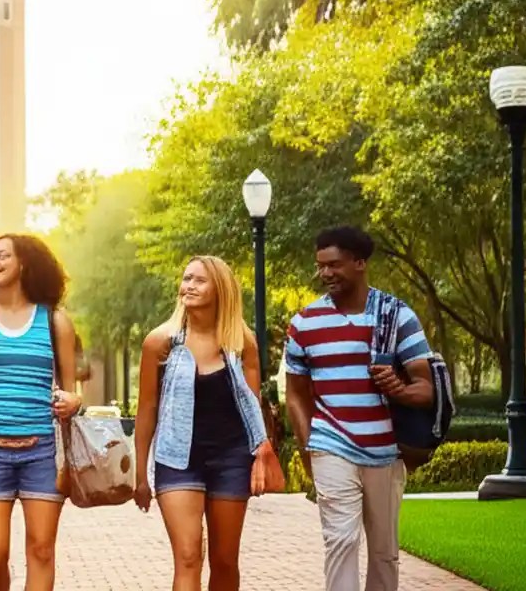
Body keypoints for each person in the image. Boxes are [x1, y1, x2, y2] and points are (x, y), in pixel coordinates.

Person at [284, 226, 435, 591]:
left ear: (360, 263)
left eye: (334, 265)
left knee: (384, 552)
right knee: (340, 541)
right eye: (320, 266)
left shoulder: (395, 316)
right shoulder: (305, 323)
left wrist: (398, 388)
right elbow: (296, 393)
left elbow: (426, 388)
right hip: (331, 445)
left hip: (386, 451)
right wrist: (308, 445)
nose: (325, 274)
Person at [131, 256, 278, 591]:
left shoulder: (242, 343)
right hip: (177, 460)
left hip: (231, 459)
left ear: (220, 289)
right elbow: (146, 410)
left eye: (199, 280)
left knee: (225, 562)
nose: (189, 286)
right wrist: (140, 474)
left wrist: (259, 456)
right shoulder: (161, 342)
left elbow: (252, 407)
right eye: (186, 279)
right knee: (187, 556)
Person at [0, 234, 83, 591]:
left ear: (23, 264)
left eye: (2, 256)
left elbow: (72, 390)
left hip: (43, 453)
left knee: (41, 550)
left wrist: (74, 401)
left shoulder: (56, 322)